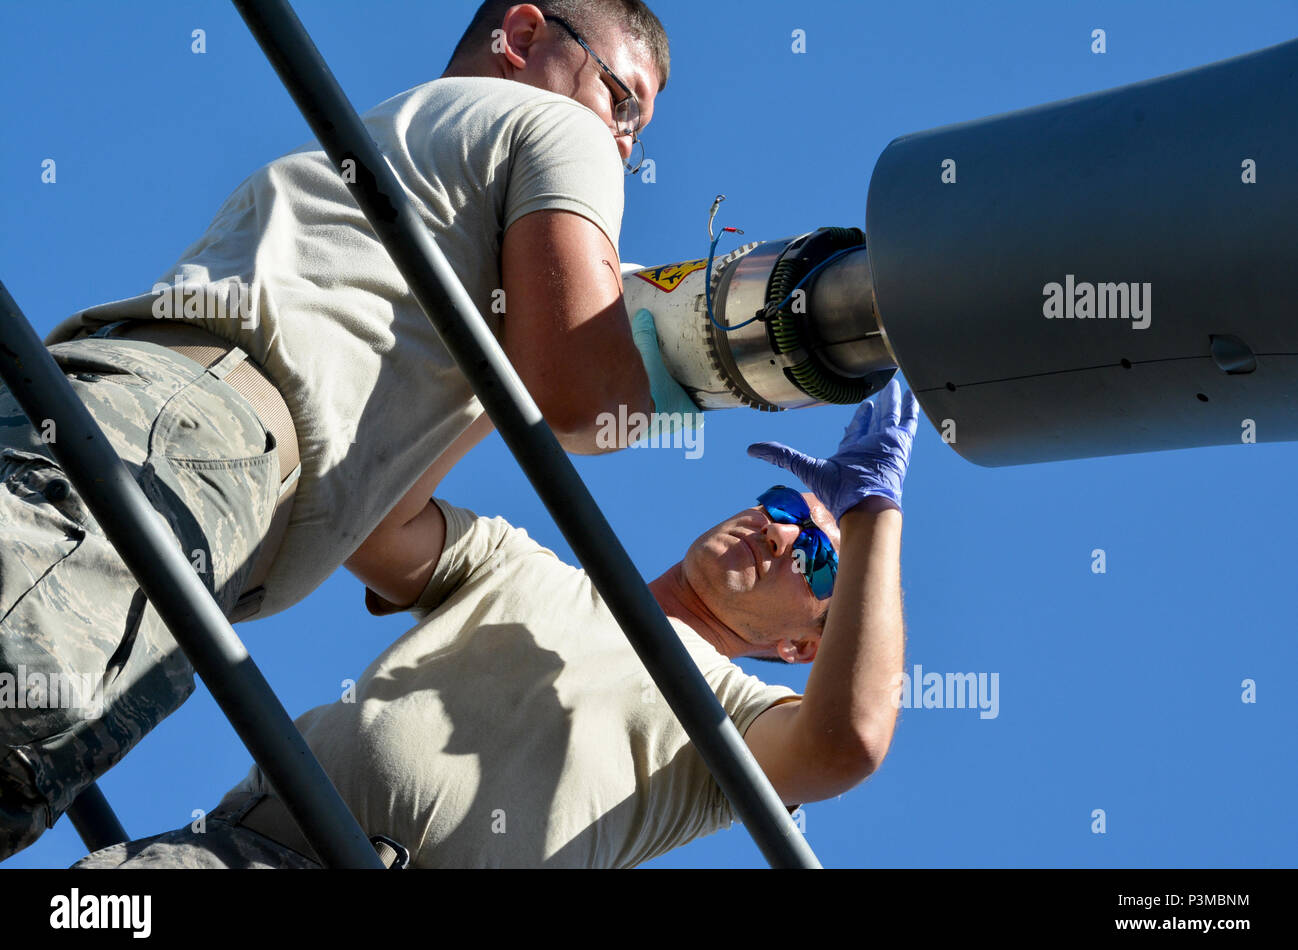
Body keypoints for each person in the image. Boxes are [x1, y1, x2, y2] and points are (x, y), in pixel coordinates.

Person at [1, 1, 682, 861]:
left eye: (636, 131)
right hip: (186, 454)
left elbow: (392, 515)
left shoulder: (394, 162)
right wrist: (669, 341)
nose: (623, 143)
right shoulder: (554, 124)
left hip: (133, 427)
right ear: (522, 36)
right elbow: (587, 397)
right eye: (623, 102)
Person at [70, 383, 919, 869]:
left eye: (817, 560)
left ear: (801, 648)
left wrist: (875, 508)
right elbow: (369, 526)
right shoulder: (521, 563)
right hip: (230, 851)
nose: (780, 534)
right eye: (782, 507)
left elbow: (847, 742)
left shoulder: (732, 714)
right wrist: (527, 378)